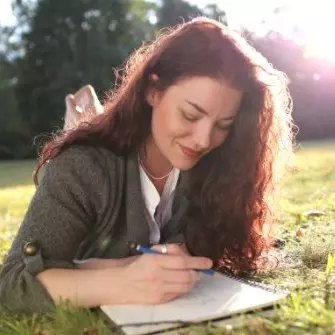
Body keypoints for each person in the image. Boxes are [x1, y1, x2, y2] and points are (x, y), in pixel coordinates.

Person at [0, 17, 293, 315]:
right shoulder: (81, 167)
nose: (204, 140)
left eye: (223, 124)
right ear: (152, 91)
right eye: (190, 115)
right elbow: (12, 285)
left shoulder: (216, 167)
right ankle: (78, 118)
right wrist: (121, 282)